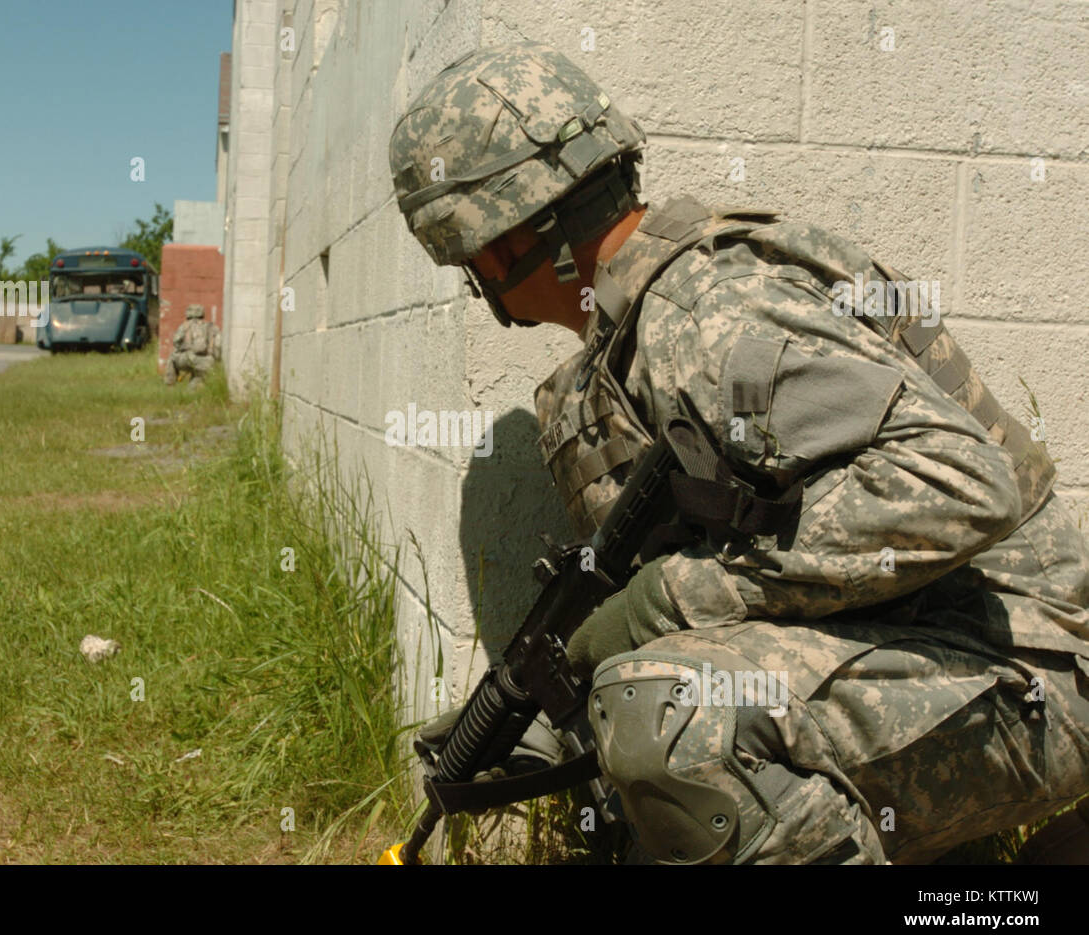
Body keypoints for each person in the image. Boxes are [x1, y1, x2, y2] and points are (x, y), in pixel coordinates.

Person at [389, 41, 1089, 864]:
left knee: (668, 715)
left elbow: (962, 485)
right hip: (915, 657)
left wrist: (666, 602)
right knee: (640, 718)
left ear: (497, 250)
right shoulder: (622, 351)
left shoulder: (708, 311)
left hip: (1032, 663)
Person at [163, 303, 221, 386]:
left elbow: (176, 342)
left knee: (172, 358)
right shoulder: (211, 327)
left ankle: (170, 385)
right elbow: (218, 345)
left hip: (187, 359)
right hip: (207, 361)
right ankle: (191, 392)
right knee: (200, 373)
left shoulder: (185, 326)